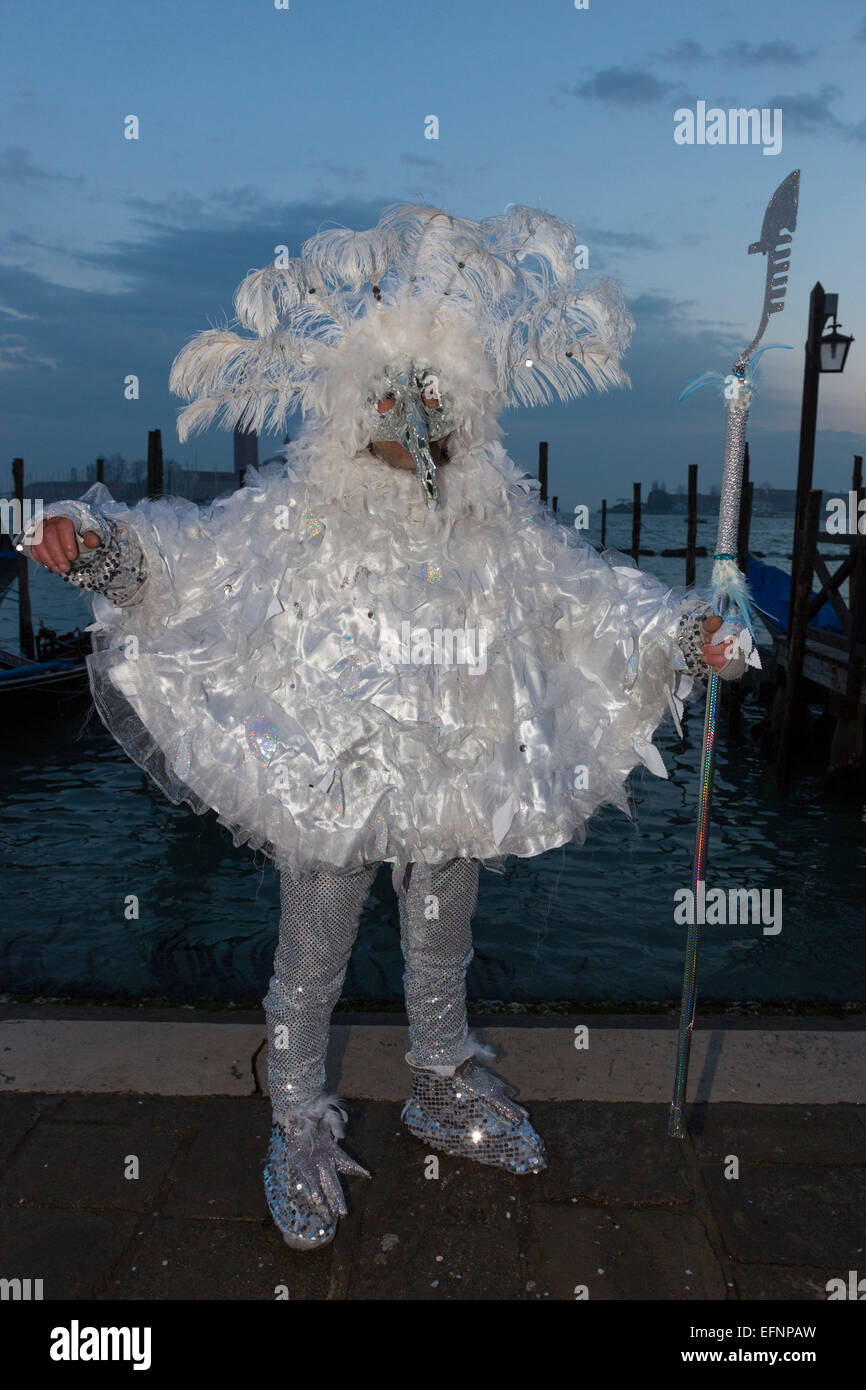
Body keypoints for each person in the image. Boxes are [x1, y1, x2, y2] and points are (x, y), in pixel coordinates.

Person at [18, 203, 748, 1251]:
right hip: (327, 776)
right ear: (354, 406)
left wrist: (685, 636)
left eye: (435, 401)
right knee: (312, 946)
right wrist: (98, 551)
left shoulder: (497, 522)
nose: (415, 423)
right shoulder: (300, 513)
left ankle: (439, 1079)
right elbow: (190, 562)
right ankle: (297, 1110)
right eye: (394, 400)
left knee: (441, 930)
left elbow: (588, 601)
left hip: (451, 771)